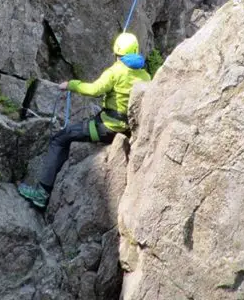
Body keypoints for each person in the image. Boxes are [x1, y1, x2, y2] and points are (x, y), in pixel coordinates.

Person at [18, 32, 151, 209]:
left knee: (60, 138)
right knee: (70, 134)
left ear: (117, 53)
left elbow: (94, 90)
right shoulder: (146, 76)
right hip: (127, 130)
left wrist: (71, 85)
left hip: (107, 128)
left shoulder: (115, 71)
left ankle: (42, 194)